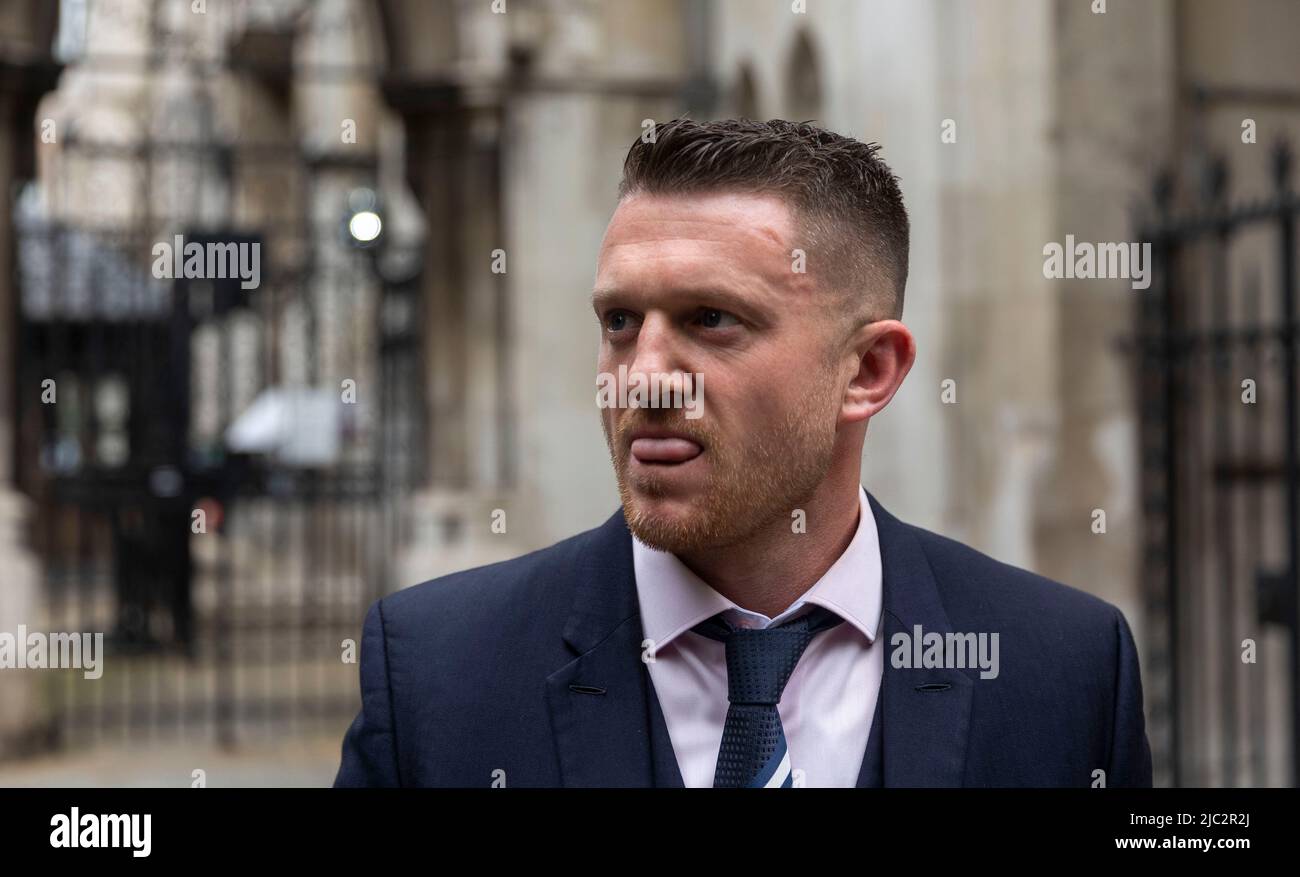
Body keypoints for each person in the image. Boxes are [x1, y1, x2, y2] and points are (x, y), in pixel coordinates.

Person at [333, 118, 1152, 788]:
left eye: (711, 319)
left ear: (866, 371)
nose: (642, 379)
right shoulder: (439, 674)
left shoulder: (1064, 669)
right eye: (620, 322)